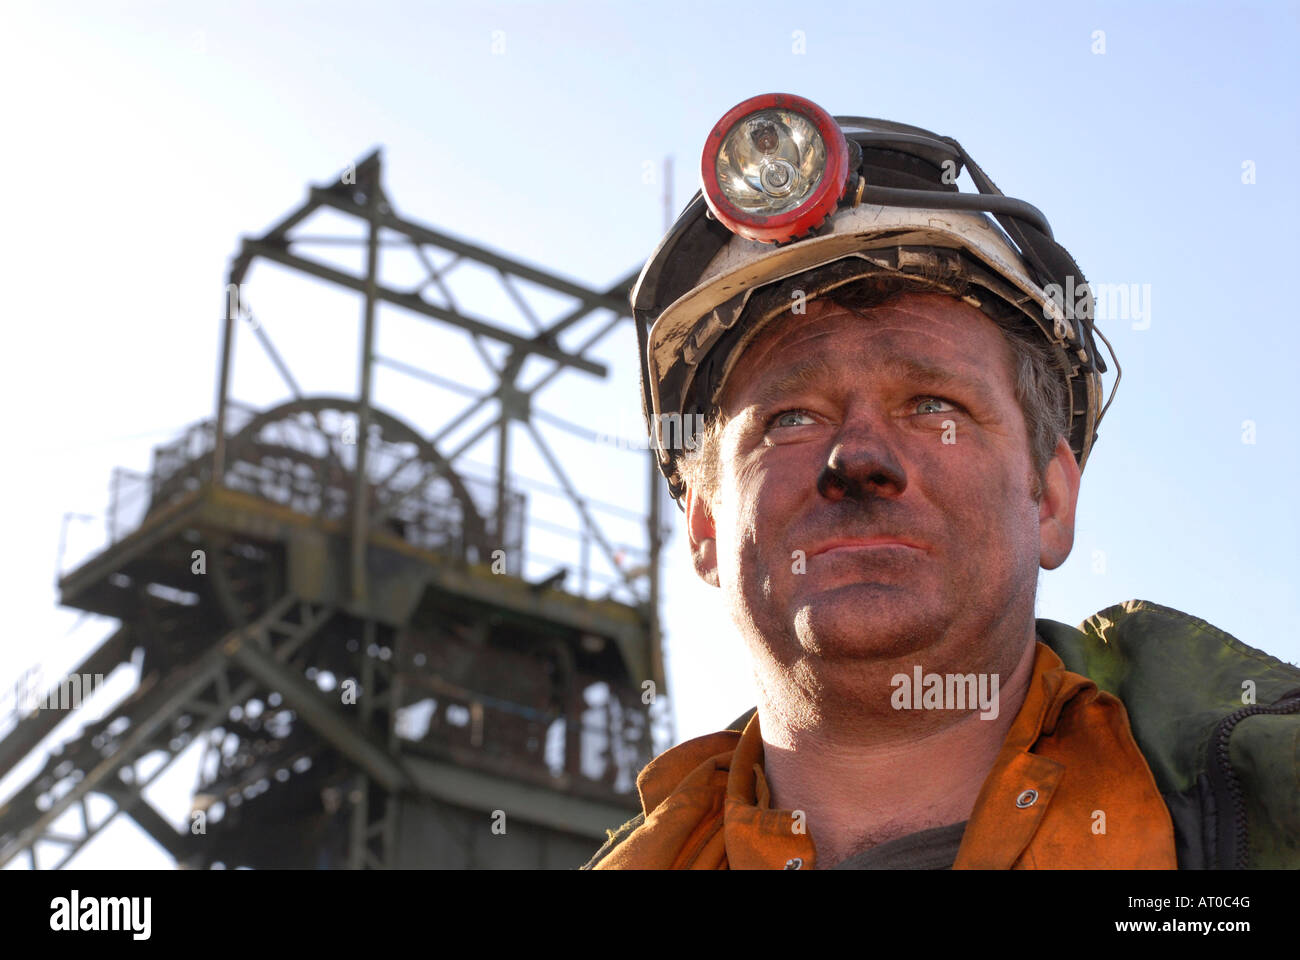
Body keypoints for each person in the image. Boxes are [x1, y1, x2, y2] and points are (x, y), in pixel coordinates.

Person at [582, 93, 1300, 870]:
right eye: (791, 417)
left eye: (933, 405)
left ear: (1052, 499)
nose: (857, 458)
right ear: (705, 528)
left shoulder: (1264, 807)